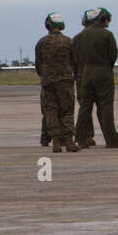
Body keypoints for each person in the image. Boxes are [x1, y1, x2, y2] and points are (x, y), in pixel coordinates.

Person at [73, 7, 118, 148]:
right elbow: (113, 55)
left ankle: (80, 138)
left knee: (85, 107)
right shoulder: (107, 35)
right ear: (103, 19)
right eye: (108, 19)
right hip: (103, 71)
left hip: (86, 72)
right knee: (106, 107)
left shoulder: (81, 35)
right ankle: (111, 139)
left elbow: (76, 57)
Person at [35, 12, 79, 152]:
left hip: (48, 82)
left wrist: (45, 76)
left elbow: (38, 64)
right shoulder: (68, 41)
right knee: (67, 110)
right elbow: (74, 61)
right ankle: (69, 141)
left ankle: (55, 142)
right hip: (65, 81)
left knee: (50, 110)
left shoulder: (42, 42)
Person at [73, 10, 98, 147]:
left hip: (81, 76)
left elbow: (73, 59)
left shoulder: (77, 38)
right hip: (97, 75)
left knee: (84, 108)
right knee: (103, 108)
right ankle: (108, 136)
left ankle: (85, 135)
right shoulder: (102, 35)